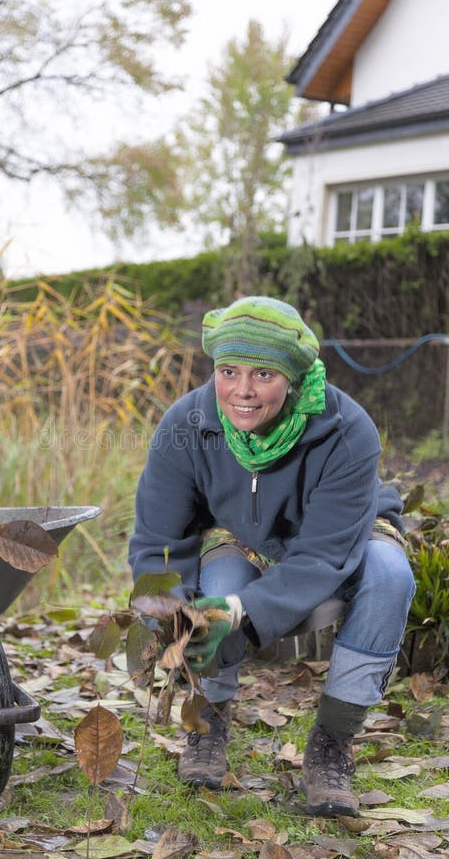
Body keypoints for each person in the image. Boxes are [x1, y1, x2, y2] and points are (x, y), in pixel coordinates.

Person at [128, 296, 415, 818]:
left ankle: (332, 744)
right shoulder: (185, 424)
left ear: (292, 376)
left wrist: (239, 612)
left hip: (335, 535)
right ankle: (206, 722)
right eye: (228, 371)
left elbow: (324, 555)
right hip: (238, 533)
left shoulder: (347, 431)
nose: (242, 390)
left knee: (391, 576)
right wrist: (163, 608)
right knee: (221, 576)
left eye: (263, 374)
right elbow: (157, 540)